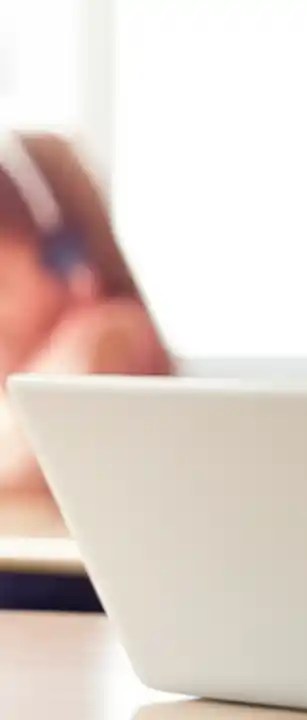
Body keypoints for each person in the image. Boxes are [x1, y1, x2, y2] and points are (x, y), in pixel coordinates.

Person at [0, 131, 171, 612]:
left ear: (66, 262)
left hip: (84, 593)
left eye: (2, 284)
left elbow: (29, 469)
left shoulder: (105, 334)